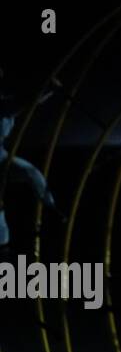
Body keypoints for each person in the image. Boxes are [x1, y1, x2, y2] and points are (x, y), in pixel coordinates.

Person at [0, 92, 57, 250]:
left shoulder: (5, 101)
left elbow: (25, 101)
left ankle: (51, 207)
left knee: (31, 172)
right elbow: (22, 102)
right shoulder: (5, 106)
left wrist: (46, 90)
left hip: (1, 155)